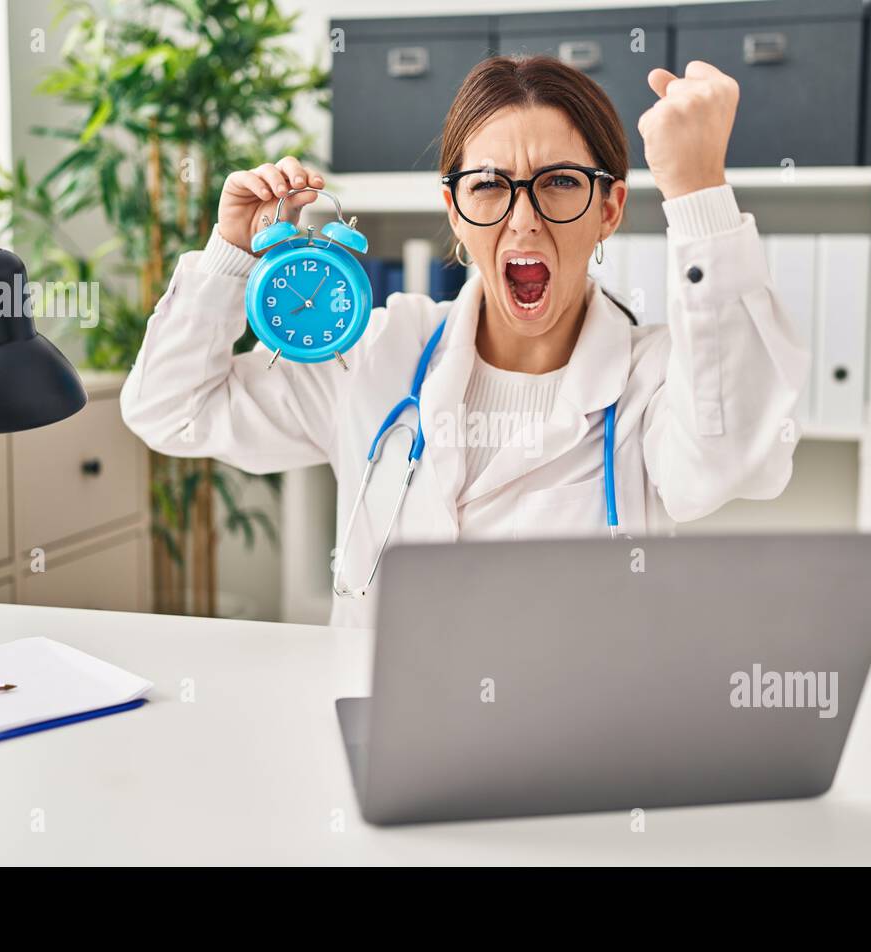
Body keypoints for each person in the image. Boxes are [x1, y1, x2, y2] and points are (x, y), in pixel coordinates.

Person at [120, 56, 810, 629]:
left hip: (573, 747)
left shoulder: (655, 380)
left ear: (608, 211)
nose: (524, 221)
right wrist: (230, 255)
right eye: (488, 188)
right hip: (386, 738)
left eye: (561, 184)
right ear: (454, 209)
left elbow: (733, 460)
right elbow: (170, 408)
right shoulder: (378, 354)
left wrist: (698, 194)